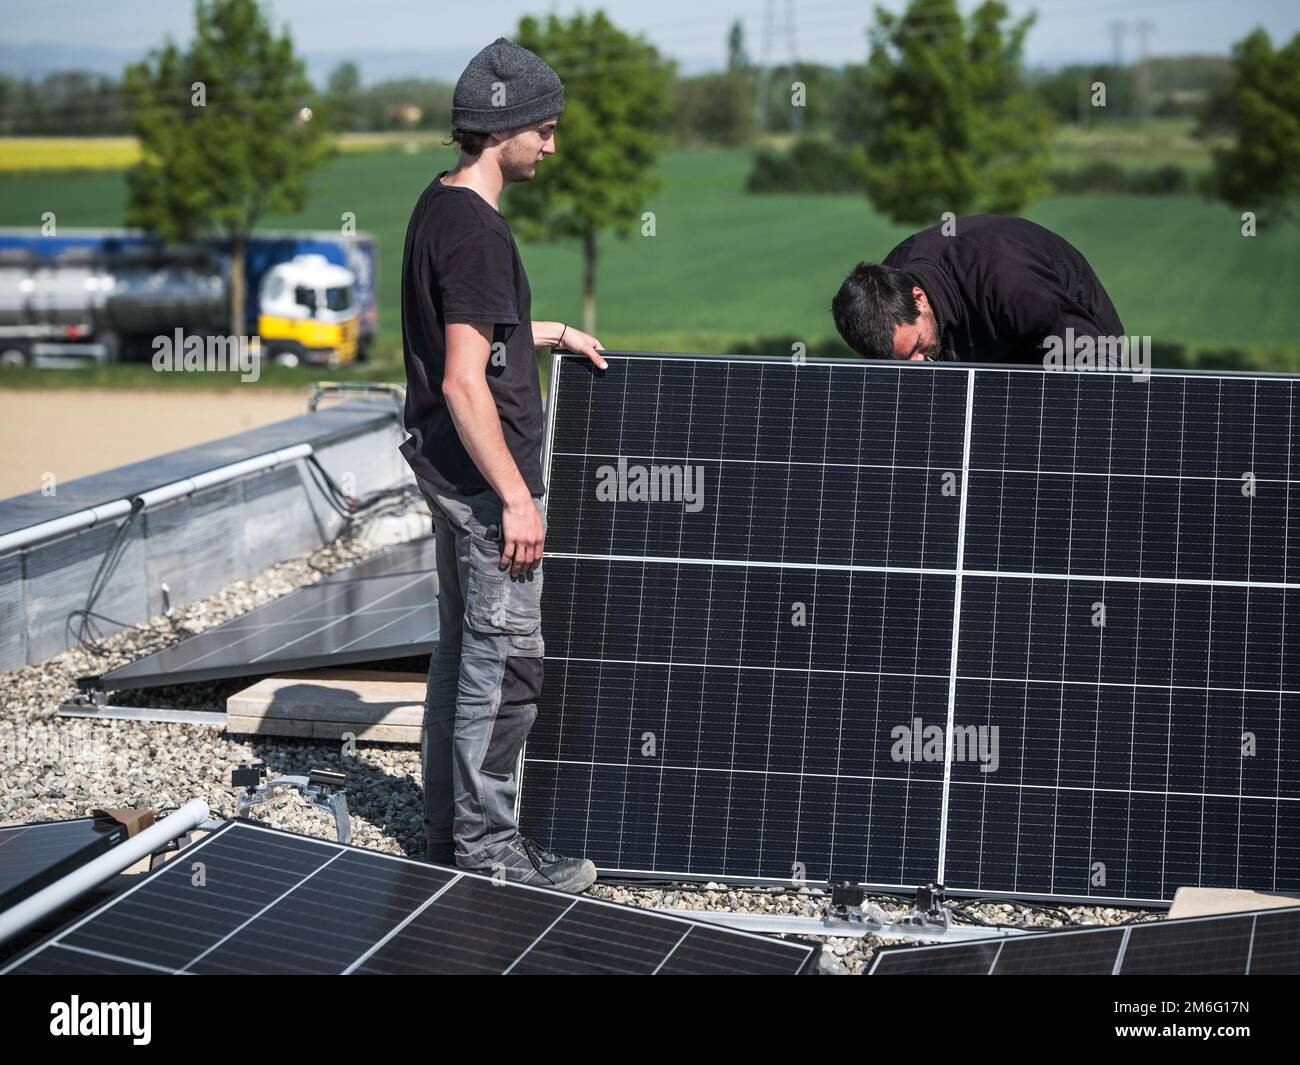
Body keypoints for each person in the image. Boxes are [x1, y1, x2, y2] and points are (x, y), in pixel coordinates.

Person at [398, 37, 606, 892]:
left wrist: (540, 333)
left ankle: (447, 823)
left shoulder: (438, 205)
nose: (551, 146)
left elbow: (470, 341)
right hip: (488, 491)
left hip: (450, 472)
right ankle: (489, 851)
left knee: (461, 651)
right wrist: (517, 497)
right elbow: (460, 378)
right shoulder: (478, 234)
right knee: (506, 665)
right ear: (504, 128)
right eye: (544, 129)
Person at [831, 214, 1125, 364]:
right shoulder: (887, 282)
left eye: (917, 348)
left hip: (1071, 344)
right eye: (901, 362)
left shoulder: (1012, 282)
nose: (916, 366)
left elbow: (1094, 359)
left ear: (918, 299)